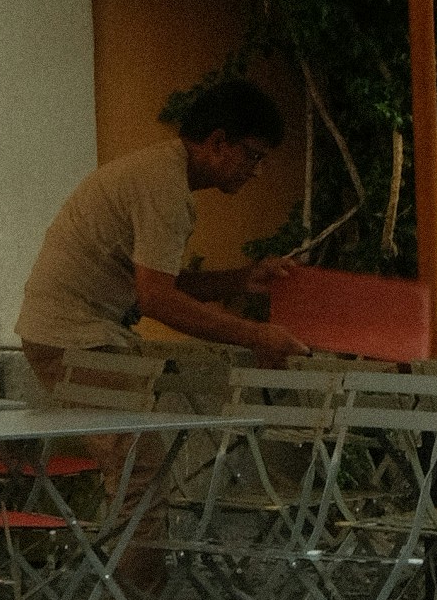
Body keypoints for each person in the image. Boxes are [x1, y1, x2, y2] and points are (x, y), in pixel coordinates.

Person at [17, 76, 298, 386]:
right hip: (74, 337)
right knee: (137, 434)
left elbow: (161, 285)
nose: (257, 171)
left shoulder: (162, 171)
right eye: (253, 155)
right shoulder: (167, 191)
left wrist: (242, 279)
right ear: (218, 143)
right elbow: (157, 299)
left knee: (123, 427)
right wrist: (258, 336)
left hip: (64, 333)